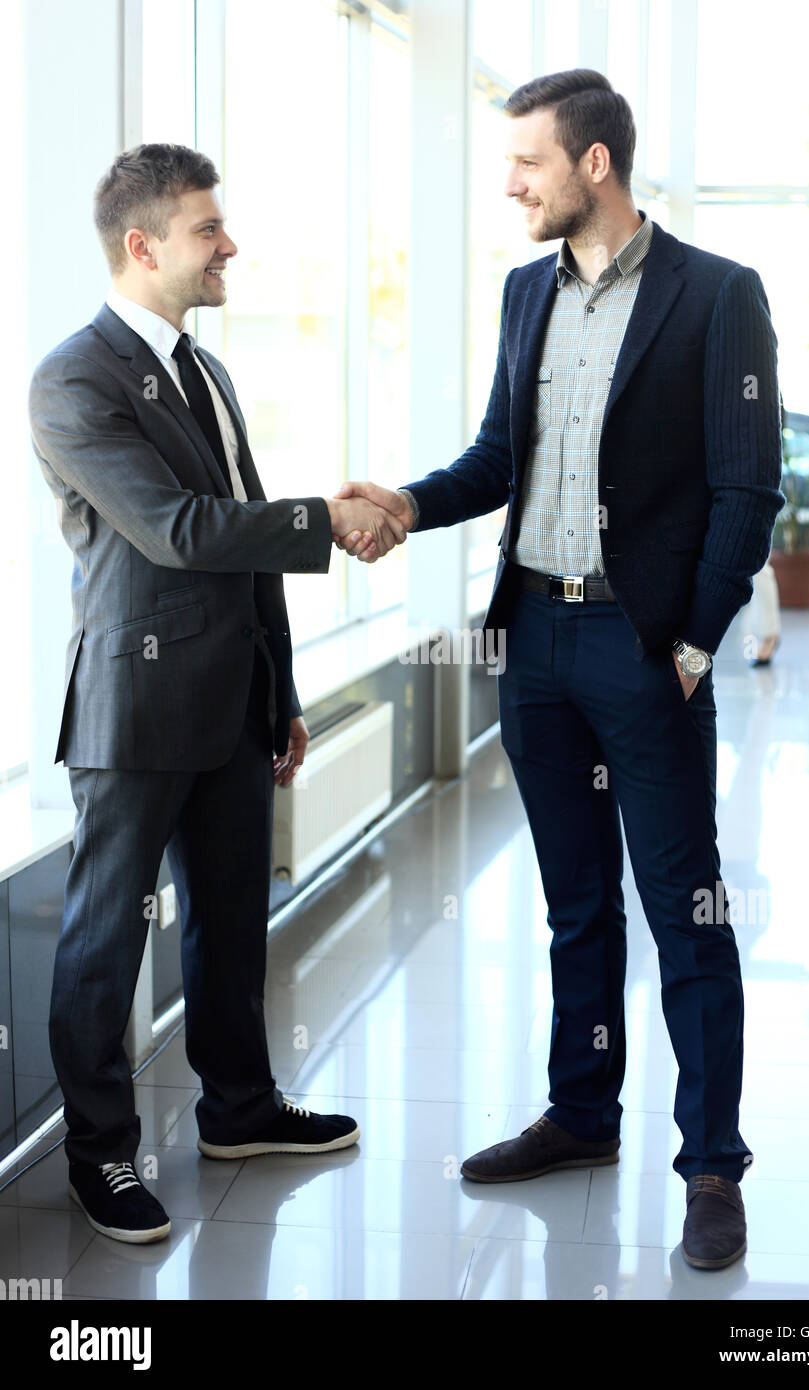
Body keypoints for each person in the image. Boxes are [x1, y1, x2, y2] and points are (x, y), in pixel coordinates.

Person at [335, 69, 784, 1270]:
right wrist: (407, 504)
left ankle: (709, 1165)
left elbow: (750, 487)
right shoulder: (525, 292)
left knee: (686, 911)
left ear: (595, 164)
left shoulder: (719, 298)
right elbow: (498, 456)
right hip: (531, 637)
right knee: (573, 904)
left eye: (527, 161)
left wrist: (692, 640)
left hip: (642, 649)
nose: (511, 184)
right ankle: (583, 1113)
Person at [28, 143, 404, 1245]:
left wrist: (279, 684)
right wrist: (323, 516)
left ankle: (239, 1110)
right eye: (207, 228)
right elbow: (180, 532)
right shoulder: (72, 379)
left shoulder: (204, 367)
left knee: (235, 920)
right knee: (105, 935)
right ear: (142, 247)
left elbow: (233, 539)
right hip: (136, 710)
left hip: (233, 697)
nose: (229, 243)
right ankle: (101, 1155)